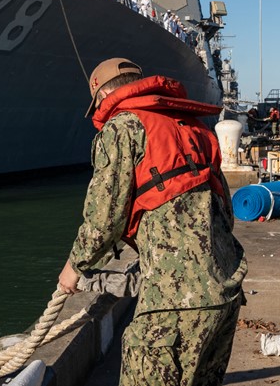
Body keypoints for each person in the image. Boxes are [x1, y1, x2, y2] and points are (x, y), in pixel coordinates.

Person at [57, 58, 246, 385]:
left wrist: (75, 266)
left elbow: (104, 217)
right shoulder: (194, 126)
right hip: (225, 292)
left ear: (101, 96)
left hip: (174, 305)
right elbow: (226, 211)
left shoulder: (122, 128)